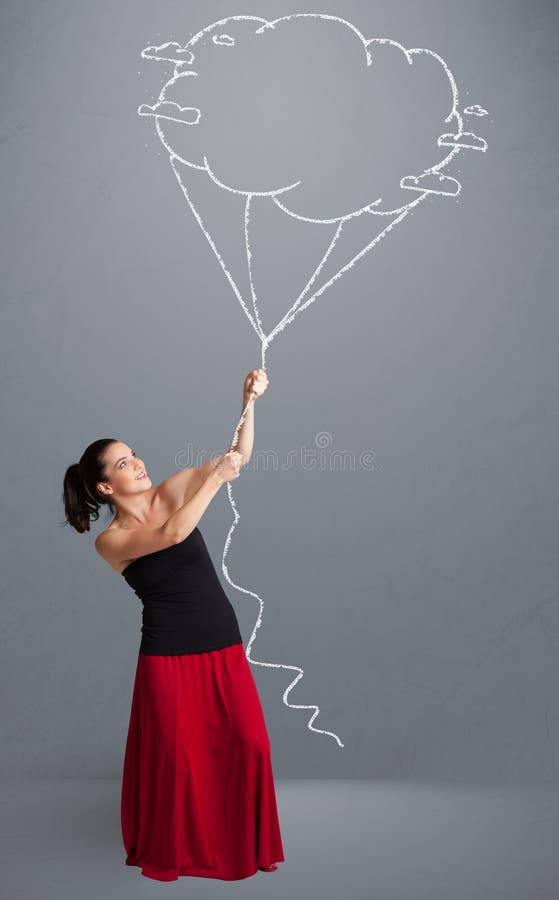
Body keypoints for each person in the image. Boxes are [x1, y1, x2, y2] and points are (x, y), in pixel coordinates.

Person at [62, 369, 285, 882]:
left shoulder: (176, 485)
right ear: (104, 486)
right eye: (122, 463)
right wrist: (212, 482)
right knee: (178, 763)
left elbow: (238, 457)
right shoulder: (110, 542)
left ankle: (243, 848)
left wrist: (248, 402)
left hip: (221, 642)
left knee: (250, 744)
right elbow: (174, 532)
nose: (136, 462)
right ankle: (179, 853)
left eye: (133, 453)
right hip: (167, 658)